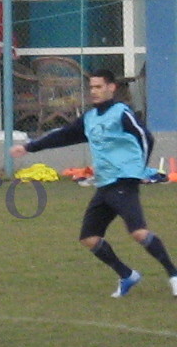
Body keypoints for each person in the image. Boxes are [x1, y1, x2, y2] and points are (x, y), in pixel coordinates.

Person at [11, 68, 177, 299]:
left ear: (111, 88)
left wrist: (139, 169)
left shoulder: (122, 113)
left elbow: (145, 137)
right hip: (105, 183)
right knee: (89, 237)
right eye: (91, 87)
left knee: (138, 232)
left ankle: (174, 275)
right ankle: (127, 275)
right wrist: (29, 147)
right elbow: (63, 135)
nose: (94, 91)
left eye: (99, 87)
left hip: (124, 180)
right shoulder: (90, 119)